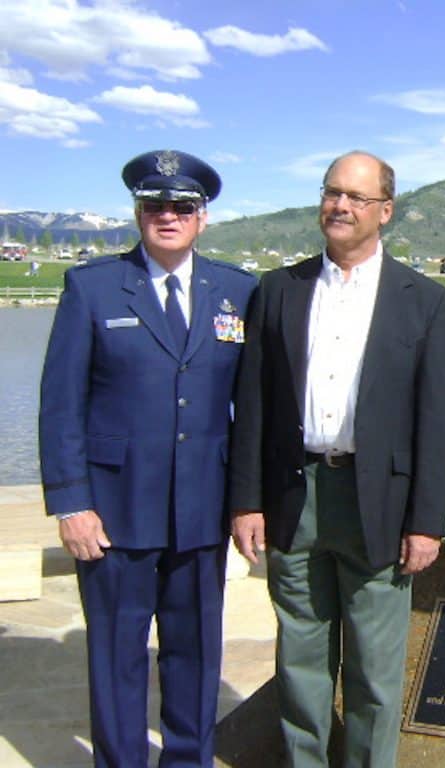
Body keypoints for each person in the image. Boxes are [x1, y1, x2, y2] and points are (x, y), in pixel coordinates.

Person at [229, 150, 445, 768]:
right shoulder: (278, 290)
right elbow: (253, 404)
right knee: (299, 661)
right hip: (295, 495)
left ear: (385, 211)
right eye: (332, 192)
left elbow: (436, 421)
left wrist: (426, 521)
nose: (340, 205)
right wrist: (246, 501)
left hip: (378, 503)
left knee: (374, 672)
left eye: (357, 197)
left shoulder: (423, 300)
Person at [38, 149, 257, 767]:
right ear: (137, 213)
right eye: (155, 204)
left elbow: (251, 410)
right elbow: (61, 405)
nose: (168, 215)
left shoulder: (238, 291)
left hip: (201, 510)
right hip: (113, 512)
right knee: (116, 655)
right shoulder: (92, 287)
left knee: (195, 654)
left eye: (182, 206)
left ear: (202, 217)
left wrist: (248, 501)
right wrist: (72, 504)